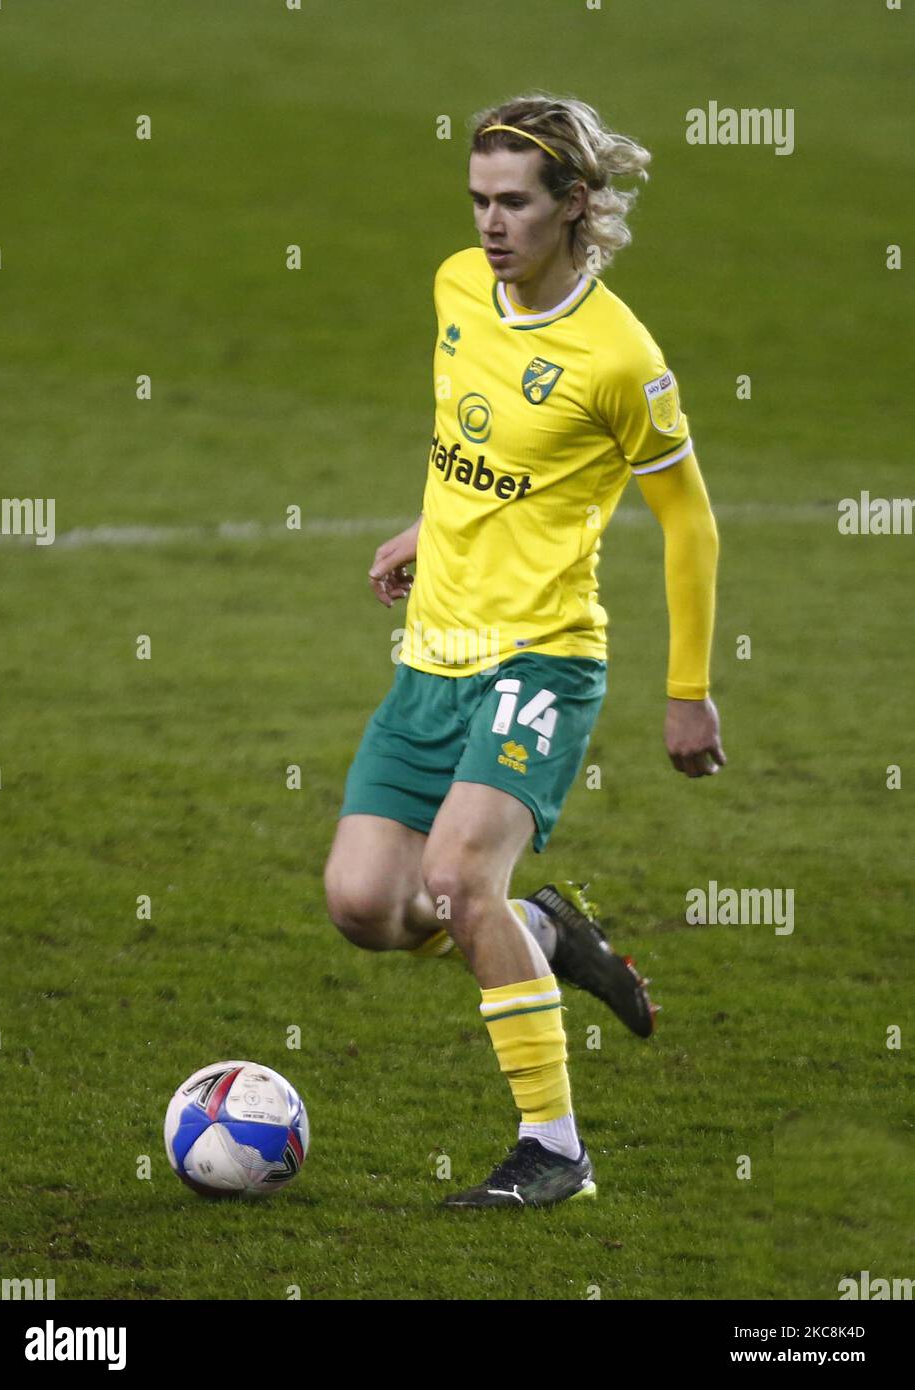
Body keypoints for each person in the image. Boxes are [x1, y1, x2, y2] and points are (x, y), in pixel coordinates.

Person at [324, 93, 724, 1210]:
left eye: (514, 203)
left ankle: (554, 1150)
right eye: (478, 200)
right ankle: (547, 929)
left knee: (454, 880)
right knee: (367, 904)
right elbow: (468, 435)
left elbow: (688, 521)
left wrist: (686, 691)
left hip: (539, 661)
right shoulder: (458, 286)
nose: (491, 224)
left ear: (573, 207)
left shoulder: (620, 357)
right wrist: (429, 524)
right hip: (431, 655)